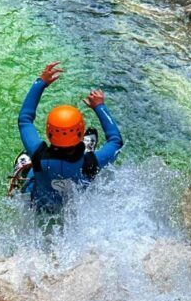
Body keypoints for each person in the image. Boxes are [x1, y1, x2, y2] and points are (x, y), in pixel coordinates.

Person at [17, 61, 123, 212]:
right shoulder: (91, 162)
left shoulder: (39, 154)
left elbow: (24, 120)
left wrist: (40, 83)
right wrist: (100, 106)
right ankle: (87, 148)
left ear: (48, 132)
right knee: (89, 175)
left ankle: (23, 166)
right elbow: (116, 142)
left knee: (33, 168)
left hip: (40, 205)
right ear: (81, 130)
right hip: (73, 208)